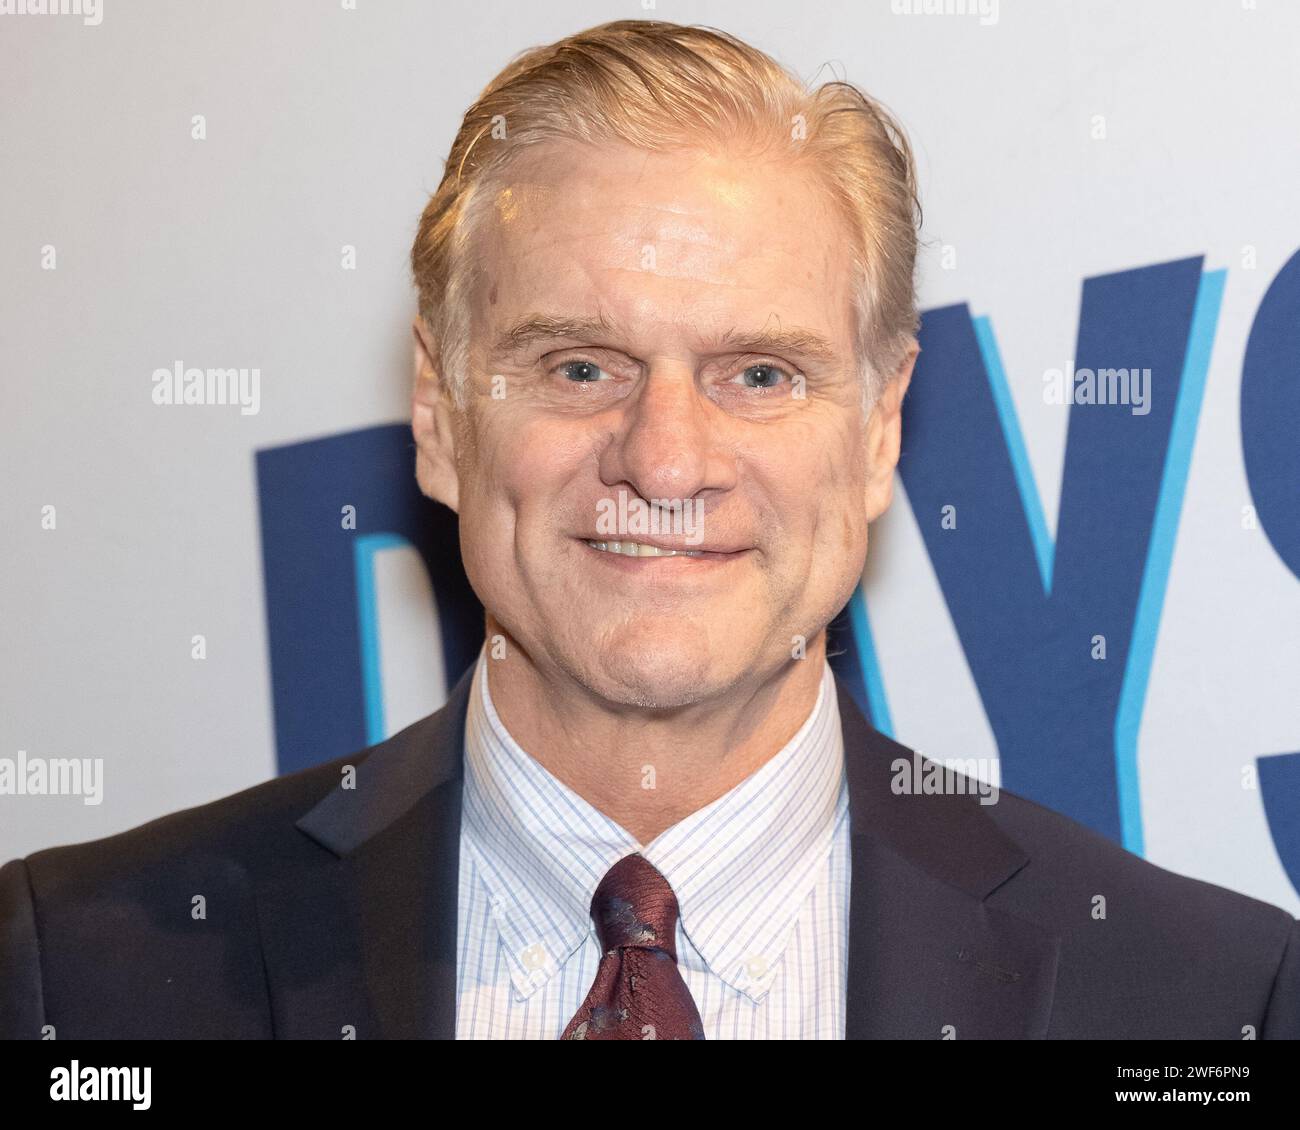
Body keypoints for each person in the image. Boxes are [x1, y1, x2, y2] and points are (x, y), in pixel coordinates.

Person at [1, 19, 1295, 1040]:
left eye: (760, 374)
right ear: (441, 415)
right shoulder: (77, 974)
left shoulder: (1212, 1001)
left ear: (880, 429)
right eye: (579, 367)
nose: (665, 458)